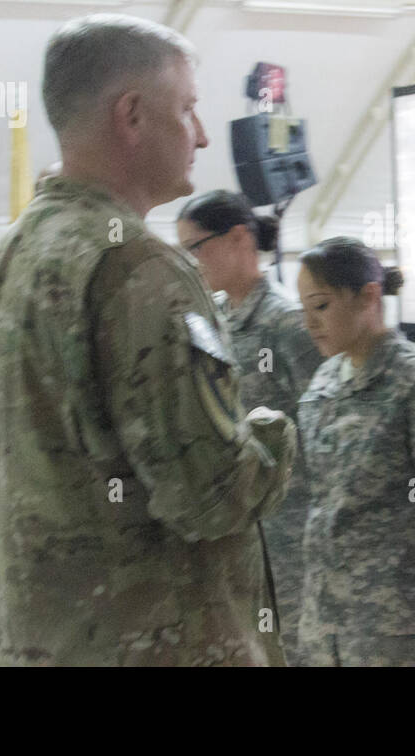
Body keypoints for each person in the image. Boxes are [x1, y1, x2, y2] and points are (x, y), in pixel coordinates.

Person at [0, 13, 296, 666]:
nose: (200, 135)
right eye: (189, 109)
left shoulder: (2, 260)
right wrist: (275, 435)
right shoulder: (139, 267)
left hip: (43, 635)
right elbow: (210, 496)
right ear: (133, 115)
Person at [295, 237, 415, 666]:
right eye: (303, 309)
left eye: (320, 306)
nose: (310, 323)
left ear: (369, 297)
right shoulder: (324, 383)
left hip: (398, 629)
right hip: (326, 624)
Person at [177, 190, 322, 665]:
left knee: (302, 647)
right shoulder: (216, 320)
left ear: (239, 238)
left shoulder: (287, 323)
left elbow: (325, 426)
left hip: (294, 531)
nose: (191, 260)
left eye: (195, 246)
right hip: (245, 527)